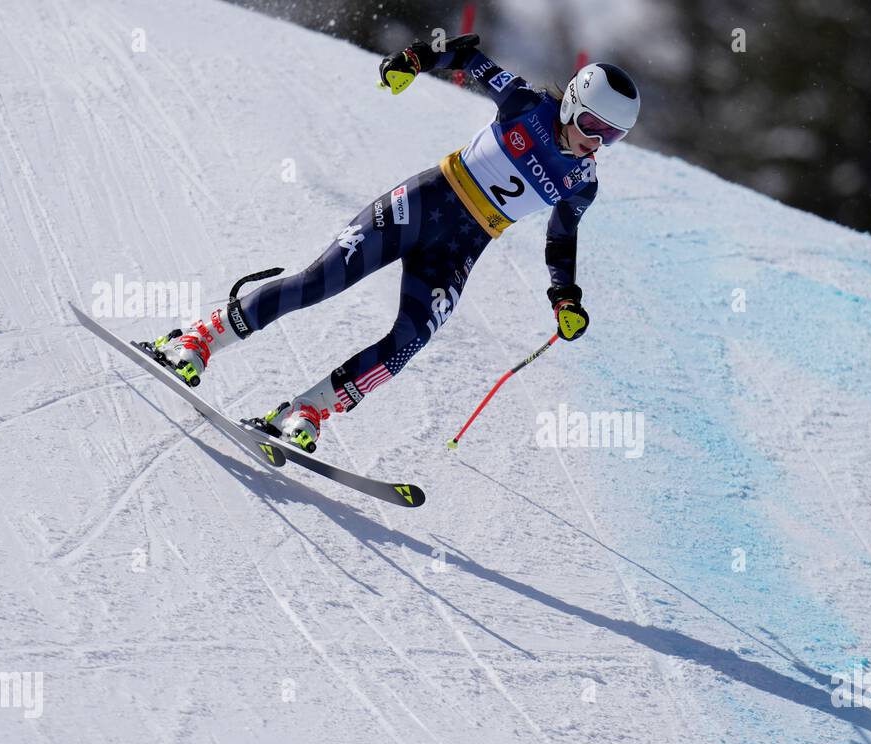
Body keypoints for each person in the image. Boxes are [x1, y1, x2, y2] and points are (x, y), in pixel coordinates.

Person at [145, 33, 640, 453]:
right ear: (572, 102)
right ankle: (198, 340)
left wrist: (565, 296)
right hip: (423, 205)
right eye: (593, 125)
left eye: (612, 136)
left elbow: (562, 239)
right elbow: (466, 56)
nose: (596, 141)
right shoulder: (526, 104)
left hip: (460, 248)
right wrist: (416, 59)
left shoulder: (583, 180)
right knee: (321, 282)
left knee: (411, 339)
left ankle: (309, 412)